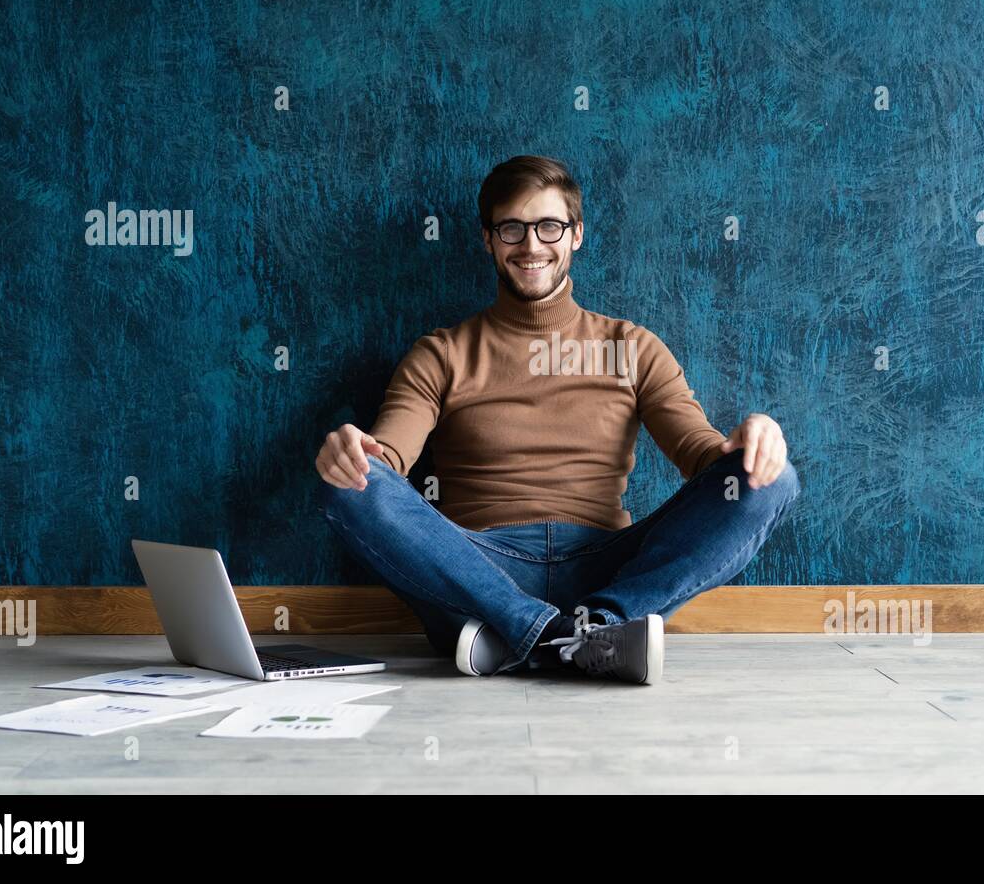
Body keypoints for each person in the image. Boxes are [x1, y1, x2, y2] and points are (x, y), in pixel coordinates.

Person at [316, 155, 799, 685]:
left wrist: (756, 441)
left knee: (773, 479)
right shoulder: (442, 352)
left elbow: (703, 456)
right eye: (512, 229)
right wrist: (354, 454)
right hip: (481, 568)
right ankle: (563, 638)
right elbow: (388, 457)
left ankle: (583, 626)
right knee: (349, 485)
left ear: (576, 236)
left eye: (550, 226)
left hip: (608, 566)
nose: (531, 245)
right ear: (488, 240)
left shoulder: (631, 347)